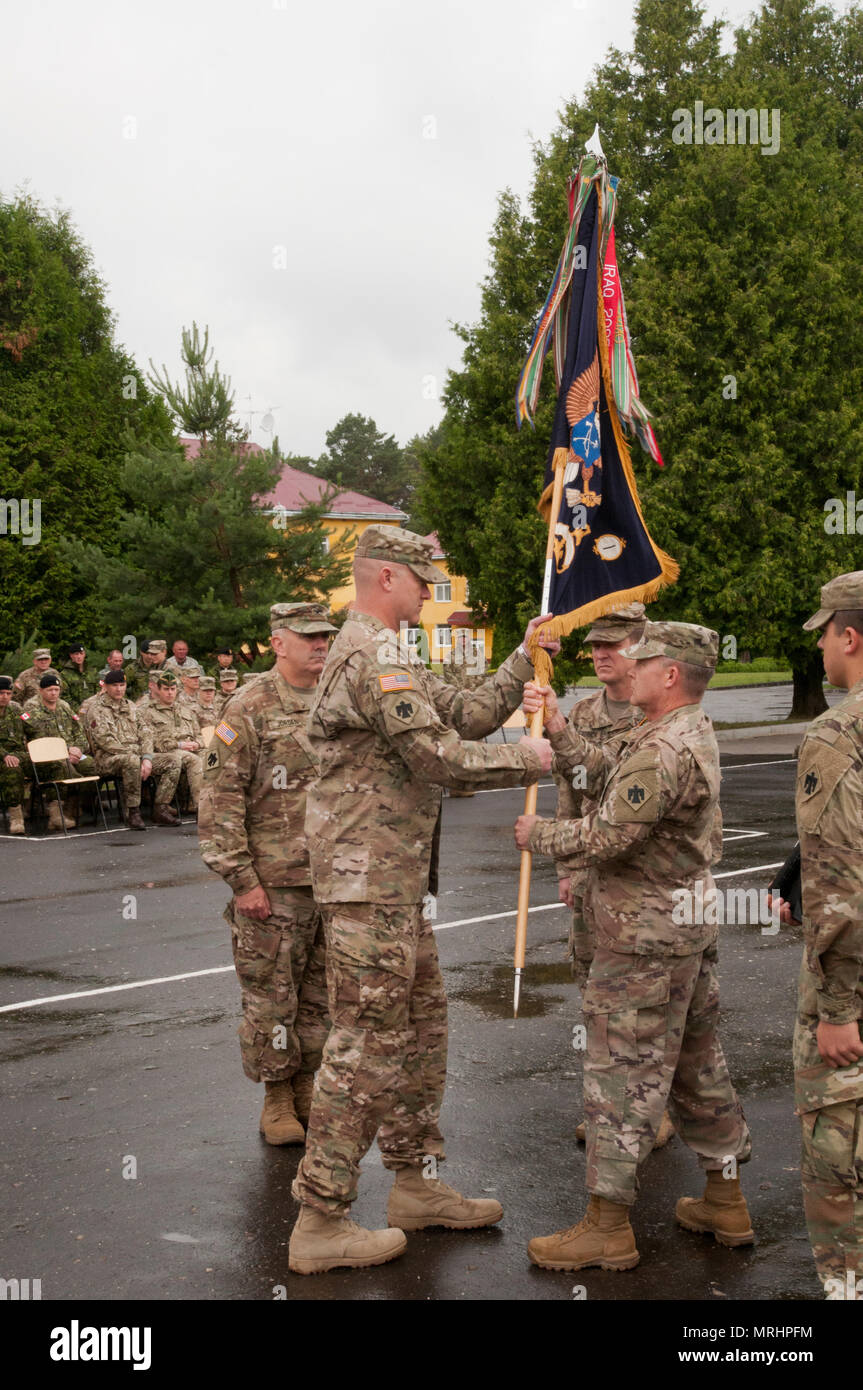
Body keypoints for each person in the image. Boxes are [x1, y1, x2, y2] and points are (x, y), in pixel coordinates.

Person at [288, 523, 555, 1275]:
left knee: (420, 1031)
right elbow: (436, 756)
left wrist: (519, 660)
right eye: (420, 579)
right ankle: (320, 1218)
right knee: (365, 1044)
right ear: (384, 579)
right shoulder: (371, 654)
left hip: (396, 884)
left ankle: (415, 1183)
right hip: (369, 883)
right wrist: (523, 758)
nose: (430, 590)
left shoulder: (392, 653)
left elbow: (459, 713)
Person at [516, 621, 752, 1272]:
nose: (630, 666)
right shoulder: (679, 731)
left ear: (669, 674)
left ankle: (607, 1226)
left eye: (642, 660)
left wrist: (541, 836)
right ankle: (725, 1197)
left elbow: (608, 837)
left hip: (643, 935)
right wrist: (562, 733)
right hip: (682, 926)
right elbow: (606, 779)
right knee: (695, 1062)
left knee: (622, 1068)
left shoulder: (661, 745)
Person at [198, 602, 337, 1146]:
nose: (320, 644)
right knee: (271, 996)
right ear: (279, 642)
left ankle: (306, 1088)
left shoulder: (336, 697)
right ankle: (277, 1098)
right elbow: (218, 798)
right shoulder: (250, 705)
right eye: (308, 636)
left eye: (325, 635)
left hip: (331, 879)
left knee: (321, 996)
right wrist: (242, 880)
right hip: (273, 884)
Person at [553, 602, 674, 1151]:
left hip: (645, 884)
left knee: (651, 1005)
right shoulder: (581, 715)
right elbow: (567, 796)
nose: (601, 653)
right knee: (595, 995)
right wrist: (566, 868)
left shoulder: (661, 715)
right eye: (596, 645)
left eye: (613, 645)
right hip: (590, 877)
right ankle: (613, 1108)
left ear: (641, 648)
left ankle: (653, 1110)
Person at [773, 572, 863, 1299]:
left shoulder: (836, 730)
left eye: (825, 635)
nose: (823, 652)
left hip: (852, 993)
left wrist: (836, 1006)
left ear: (850, 636)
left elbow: (840, 880)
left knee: (837, 1172)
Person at [87, 670, 181, 829]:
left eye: (122, 685)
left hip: (137, 756)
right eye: (114, 685)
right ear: (106, 687)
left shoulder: (130, 706)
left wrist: (147, 758)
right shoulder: (96, 709)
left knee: (172, 761)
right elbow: (105, 741)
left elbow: (146, 733)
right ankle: (133, 812)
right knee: (131, 761)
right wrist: (136, 756)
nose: (119, 689)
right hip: (108, 759)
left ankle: (161, 808)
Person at [22, 674, 96, 831]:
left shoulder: (64, 706)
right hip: (47, 757)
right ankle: (57, 815)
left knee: (92, 766)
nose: (54, 693)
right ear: (41, 691)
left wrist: (78, 749)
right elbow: (37, 738)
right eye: (50, 690)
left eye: (56, 690)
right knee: (63, 767)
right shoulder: (32, 708)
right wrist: (65, 752)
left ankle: (72, 808)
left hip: (71, 753)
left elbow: (79, 732)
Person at [140, 672, 203, 814]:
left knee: (213, 757)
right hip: (168, 750)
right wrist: (179, 745)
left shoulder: (186, 710)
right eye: (166, 689)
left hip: (191, 747)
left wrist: (198, 744)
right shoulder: (148, 712)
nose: (170, 693)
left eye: (172, 689)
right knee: (194, 760)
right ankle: (202, 807)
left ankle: (213, 802)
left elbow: (199, 734)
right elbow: (152, 740)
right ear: (159, 690)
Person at [0, 675, 30, 833]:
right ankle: (16, 816)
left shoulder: (17, 709)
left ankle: (56, 812)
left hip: (19, 754)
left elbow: (32, 728)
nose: (4, 696)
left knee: (51, 764)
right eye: (1, 693)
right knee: (13, 770)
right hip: (2, 757)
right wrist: (5, 755)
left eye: (8, 693)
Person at [58, 643, 95, 712]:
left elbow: (99, 691)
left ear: (84, 654)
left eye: (81, 654)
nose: (79, 656)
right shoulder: (64, 674)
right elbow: (65, 696)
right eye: (76, 654)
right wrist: (79, 709)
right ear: (71, 656)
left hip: (93, 709)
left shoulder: (92, 671)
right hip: (75, 712)